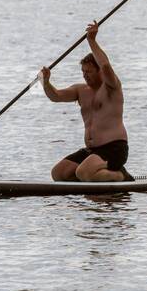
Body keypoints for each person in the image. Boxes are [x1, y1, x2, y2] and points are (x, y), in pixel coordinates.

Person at [42, 21, 132, 182]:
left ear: (99, 73)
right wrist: (46, 82)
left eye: (89, 71)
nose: (85, 75)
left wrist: (91, 40)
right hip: (92, 150)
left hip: (114, 148)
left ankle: (120, 175)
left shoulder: (112, 87)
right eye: (83, 71)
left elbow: (105, 65)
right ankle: (93, 176)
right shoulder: (80, 90)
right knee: (58, 174)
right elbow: (55, 96)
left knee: (83, 172)